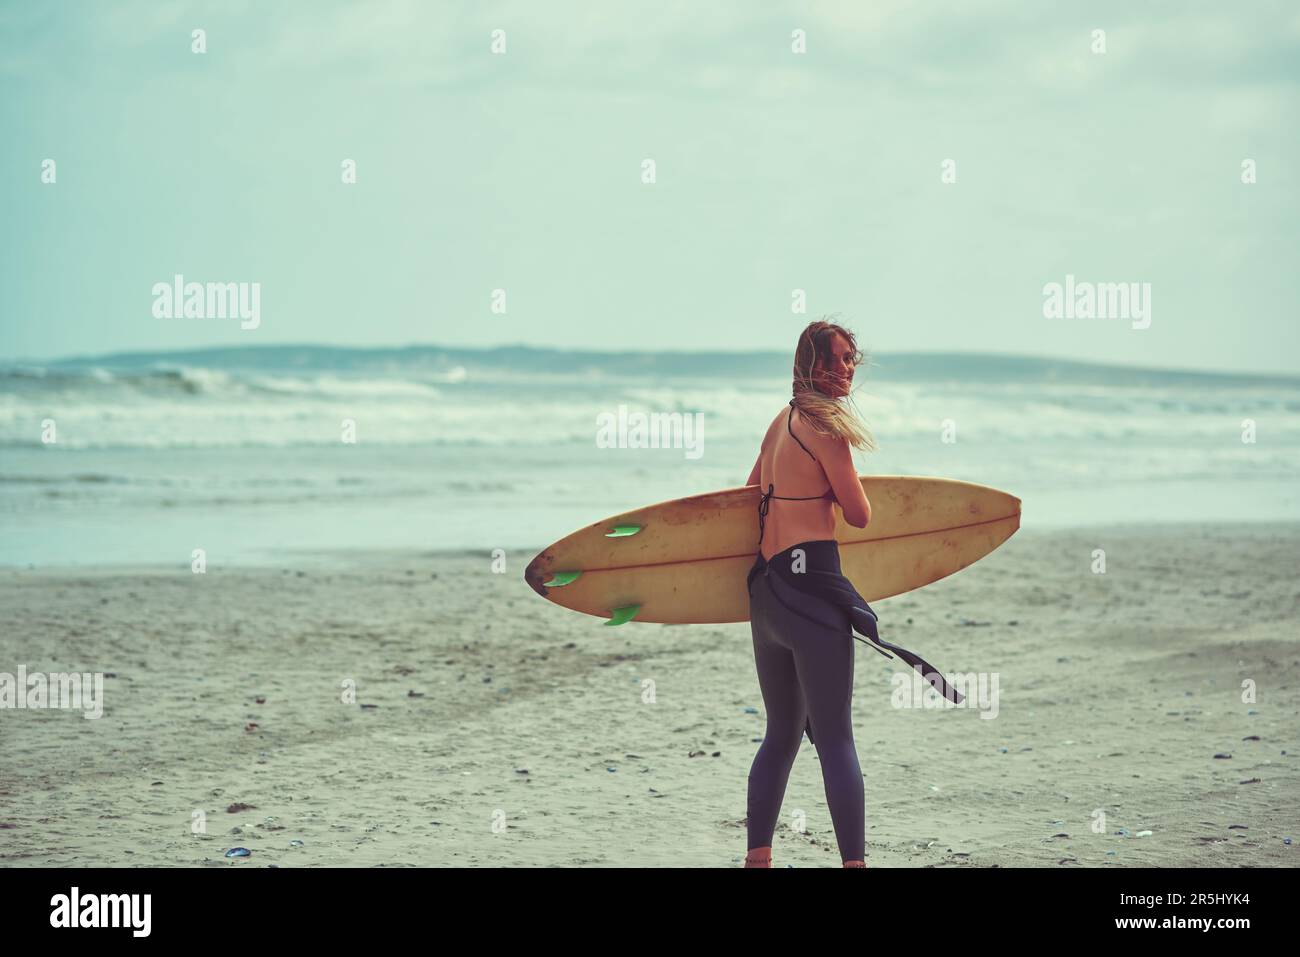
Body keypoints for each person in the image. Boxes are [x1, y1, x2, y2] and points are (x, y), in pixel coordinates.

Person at [741, 319, 962, 869]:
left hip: (767, 596)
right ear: (811, 364)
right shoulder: (827, 430)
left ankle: (757, 859)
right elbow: (860, 514)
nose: (846, 368)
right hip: (813, 594)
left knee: (780, 736)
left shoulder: (778, 424)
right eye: (836, 358)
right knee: (837, 738)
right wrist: (834, 488)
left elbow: (748, 495)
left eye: (849, 358)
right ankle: (854, 865)